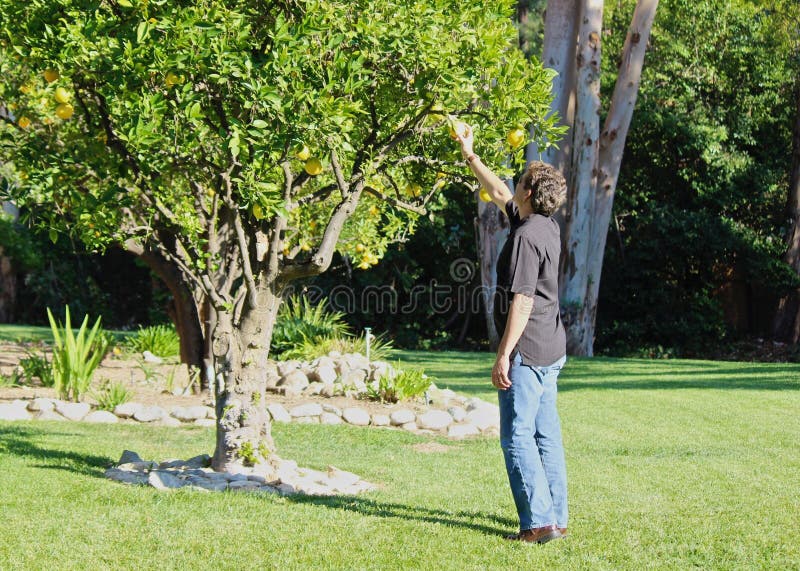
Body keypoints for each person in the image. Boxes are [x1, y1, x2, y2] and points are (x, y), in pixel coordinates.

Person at [456, 125, 569, 544]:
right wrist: (470, 155)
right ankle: (556, 517)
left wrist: (504, 355)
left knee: (517, 436)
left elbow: (521, 301)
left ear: (529, 192)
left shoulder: (524, 237)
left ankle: (538, 524)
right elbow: (498, 192)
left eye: (520, 181)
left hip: (530, 350)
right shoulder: (543, 224)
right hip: (552, 347)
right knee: (546, 434)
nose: (513, 185)